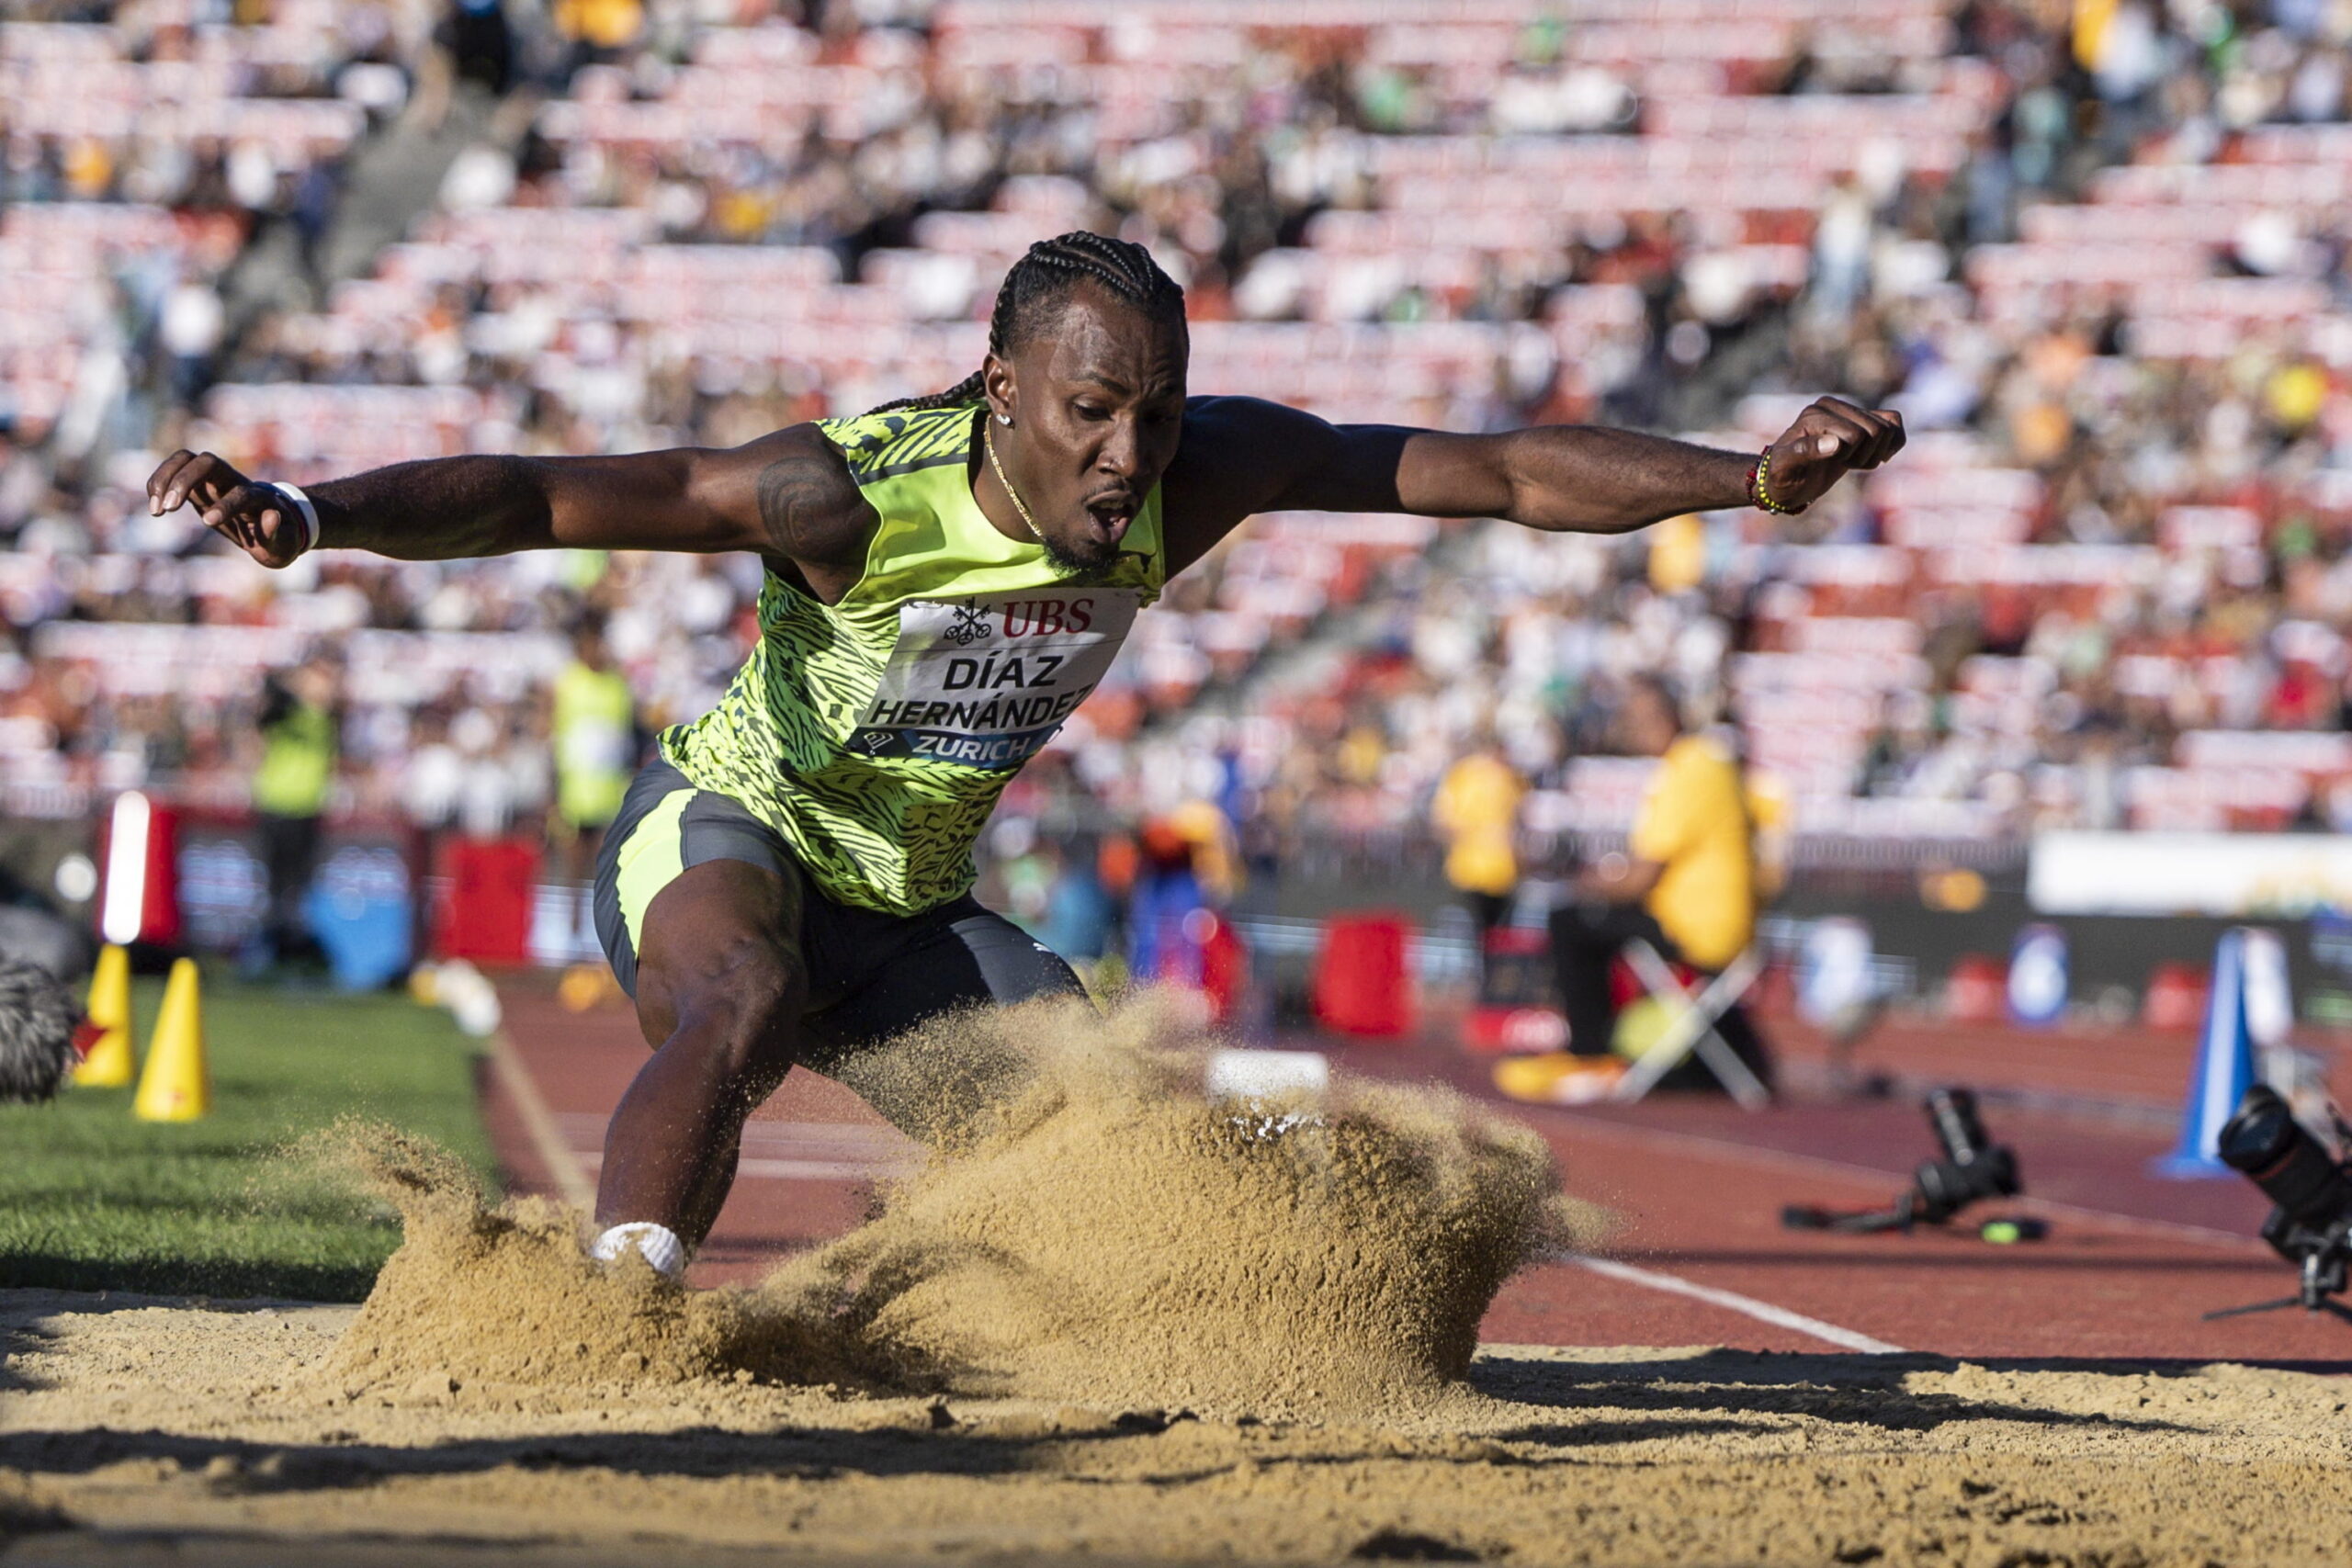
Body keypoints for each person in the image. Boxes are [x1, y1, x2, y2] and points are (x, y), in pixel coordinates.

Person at [148, 231, 1900, 1279]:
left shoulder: (1199, 472)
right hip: (732, 830)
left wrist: (1746, 476)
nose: (1128, 454)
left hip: (914, 913)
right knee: (741, 1000)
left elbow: (1500, 471)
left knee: (1108, 1120)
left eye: (1153, 410)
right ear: (999, 389)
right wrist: (319, 511)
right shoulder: (844, 494)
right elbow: (548, 494)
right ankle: (616, 1294)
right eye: (1088, 410)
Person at [1544, 674, 1775, 1094]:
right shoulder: (1704, 763)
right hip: (1714, 923)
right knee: (1588, 918)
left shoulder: (1689, 769)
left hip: (1697, 929)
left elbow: (1641, 877)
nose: (1628, 728)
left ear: (1663, 719)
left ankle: (1592, 1055)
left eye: (1635, 718)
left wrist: (1583, 884)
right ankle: (1730, 1060)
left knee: (1570, 921)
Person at [247, 655, 339, 976]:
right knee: (275, 883)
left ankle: (293, 949)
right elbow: (267, 712)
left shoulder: (325, 718)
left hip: (307, 808)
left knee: (299, 885)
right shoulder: (286, 711)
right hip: (277, 804)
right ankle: (271, 948)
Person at [1430, 736, 1523, 978]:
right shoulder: (1497, 776)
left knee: (1486, 935)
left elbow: (1443, 821)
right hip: (1488, 867)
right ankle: (1490, 982)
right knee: (1491, 934)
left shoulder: (1465, 774)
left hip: (1481, 868)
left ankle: (1487, 982)